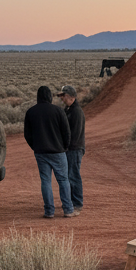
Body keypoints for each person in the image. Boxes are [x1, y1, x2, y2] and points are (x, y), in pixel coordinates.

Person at [23, 85, 74, 218]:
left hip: (41, 152)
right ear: (49, 96)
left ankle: (49, 211)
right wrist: (64, 147)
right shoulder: (58, 111)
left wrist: (35, 146)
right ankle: (68, 209)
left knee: (45, 181)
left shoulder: (31, 112)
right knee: (63, 180)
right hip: (58, 151)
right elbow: (66, 132)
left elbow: (27, 134)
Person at [56, 85, 85, 215]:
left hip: (74, 148)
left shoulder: (76, 112)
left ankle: (77, 203)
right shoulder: (69, 110)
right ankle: (72, 202)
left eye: (64, 96)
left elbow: (75, 134)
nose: (62, 99)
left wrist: (65, 146)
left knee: (73, 176)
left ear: (71, 97)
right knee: (70, 175)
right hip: (71, 149)